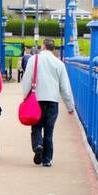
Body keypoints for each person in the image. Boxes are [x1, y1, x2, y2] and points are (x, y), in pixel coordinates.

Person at [19, 39, 75, 167]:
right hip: (52, 101)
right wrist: (70, 107)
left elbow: (27, 79)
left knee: (37, 126)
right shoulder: (59, 63)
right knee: (49, 131)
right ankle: (47, 160)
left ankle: (38, 145)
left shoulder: (34, 59)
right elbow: (65, 87)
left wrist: (25, 96)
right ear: (53, 48)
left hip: (36, 99)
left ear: (42, 46)